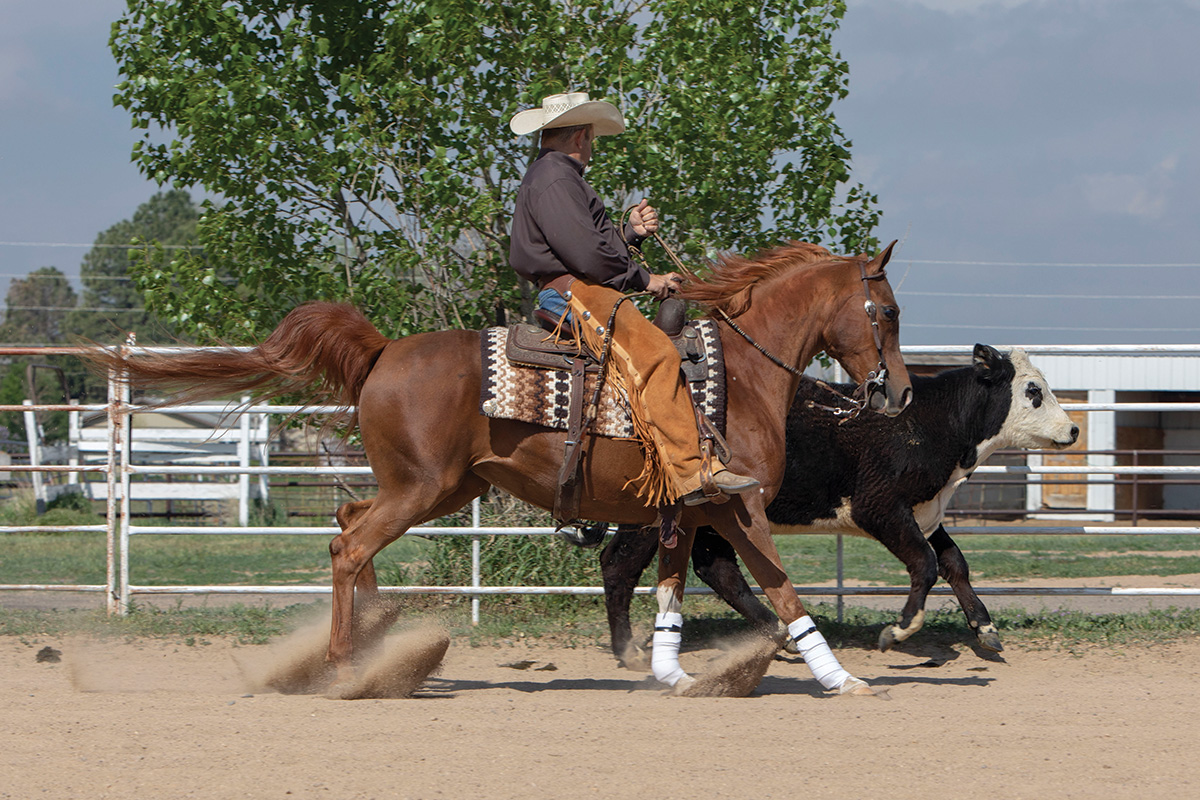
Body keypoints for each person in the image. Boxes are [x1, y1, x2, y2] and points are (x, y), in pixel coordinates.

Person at [508, 91, 759, 507]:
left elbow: (588, 244)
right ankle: (690, 470)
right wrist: (647, 279)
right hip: (575, 294)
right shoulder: (557, 179)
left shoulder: (554, 177)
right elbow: (586, 255)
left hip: (576, 288)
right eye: (592, 139)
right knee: (658, 353)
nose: (591, 147)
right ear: (581, 137)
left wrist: (630, 235)